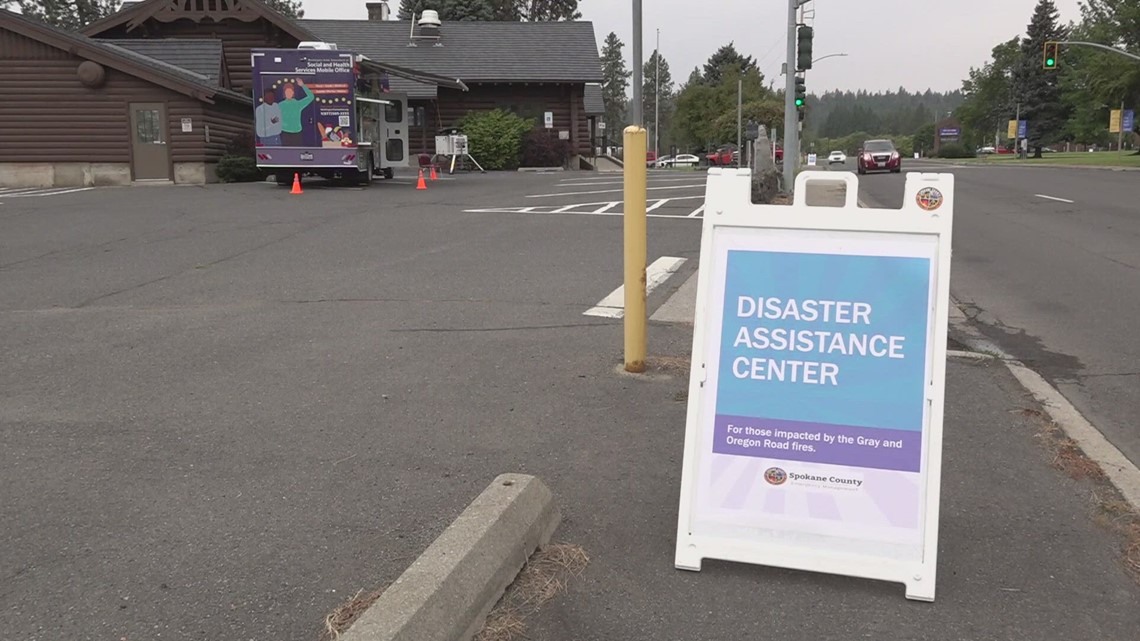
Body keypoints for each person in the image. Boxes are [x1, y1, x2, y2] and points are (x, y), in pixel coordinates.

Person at [279, 79, 315, 147]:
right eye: (287, 92)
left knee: (297, 153)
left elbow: (311, 97)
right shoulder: (280, 105)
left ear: (293, 93)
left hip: (297, 134)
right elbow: (275, 118)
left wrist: (303, 85)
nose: (289, 93)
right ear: (284, 93)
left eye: (290, 92)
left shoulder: (297, 104)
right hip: (285, 133)